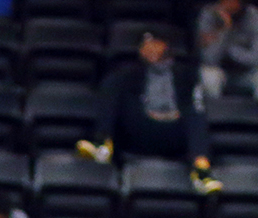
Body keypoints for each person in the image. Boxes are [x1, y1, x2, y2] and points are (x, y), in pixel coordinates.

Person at [76, 30, 223, 197]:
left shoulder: (186, 75)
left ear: (165, 46)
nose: (148, 49)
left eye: (153, 43)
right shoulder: (128, 75)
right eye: (144, 45)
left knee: (195, 111)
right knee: (112, 83)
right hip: (141, 129)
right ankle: (103, 143)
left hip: (174, 132)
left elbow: (195, 108)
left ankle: (201, 170)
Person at [196, 0, 258, 102]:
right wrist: (225, 30)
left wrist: (231, 51)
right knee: (208, 75)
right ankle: (215, 116)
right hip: (220, 71)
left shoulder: (253, 15)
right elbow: (209, 59)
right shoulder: (209, 14)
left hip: (246, 72)